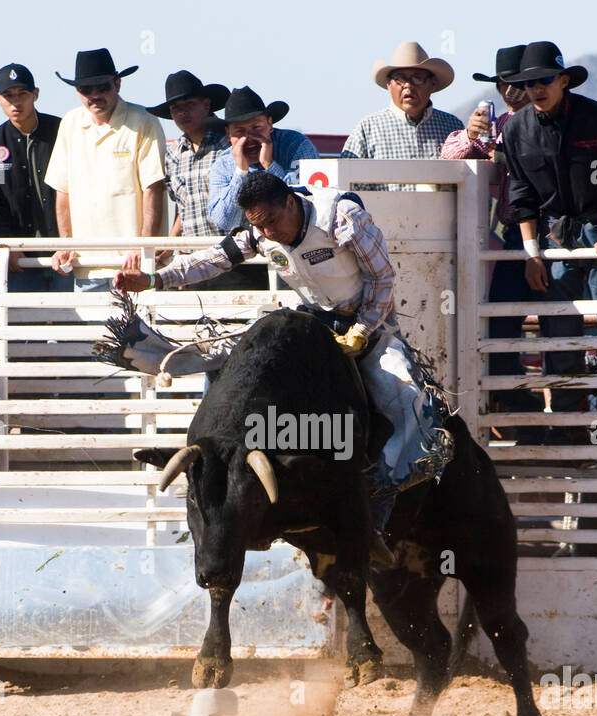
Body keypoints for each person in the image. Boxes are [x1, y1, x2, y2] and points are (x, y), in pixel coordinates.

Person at [105, 172, 454, 557]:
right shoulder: (259, 231)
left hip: (369, 327)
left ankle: (379, 500)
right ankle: (221, 444)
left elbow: (382, 278)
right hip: (310, 321)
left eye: (271, 221)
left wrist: (362, 329)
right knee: (234, 360)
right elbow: (214, 259)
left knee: (408, 400)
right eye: (258, 225)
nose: (267, 233)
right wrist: (155, 278)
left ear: (291, 202)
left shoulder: (342, 218)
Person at [502, 42, 597, 431]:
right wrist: (531, 253)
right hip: (552, 233)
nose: (536, 89)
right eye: (528, 84)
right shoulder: (516, 130)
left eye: (543, 80)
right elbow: (521, 197)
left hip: (596, 227)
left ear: (562, 80)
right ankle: (572, 432)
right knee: (559, 331)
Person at [441, 45, 542, 443]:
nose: (512, 91)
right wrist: (471, 135)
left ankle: (567, 410)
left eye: (520, 83)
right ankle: (515, 407)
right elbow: (449, 158)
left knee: (554, 321)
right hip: (518, 234)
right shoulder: (495, 128)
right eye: (506, 84)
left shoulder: (542, 123)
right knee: (501, 322)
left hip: (550, 232)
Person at [45, 48, 166, 292]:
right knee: (91, 331)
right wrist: (66, 244)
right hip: (86, 264)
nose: (94, 95)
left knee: (140, 330)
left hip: (133, 266)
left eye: (102, 87)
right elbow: (62, 192)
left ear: (117, 84)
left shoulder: (144, 121)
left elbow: (154, 188)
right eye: (85, 90)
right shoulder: (70, 123)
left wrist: (143, 247)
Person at [151, 70, 260, 290]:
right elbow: (183, 207)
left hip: (238, 256)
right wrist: (170, 243)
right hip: (196, 262)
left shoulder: (231, 144)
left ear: (207, 104)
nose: (182, 113)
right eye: (175, 108)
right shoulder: (173, 155)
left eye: (189, 104)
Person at [0, 63, 68, 293]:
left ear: (35, 94)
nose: (16, 102)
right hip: (20, 254)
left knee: (71, 322)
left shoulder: (61, 130)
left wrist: (70, 241)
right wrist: (6, 244)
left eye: (22, 94)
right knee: (23, 324)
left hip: (64, 249)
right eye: (8, 96)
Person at [341, 41, 464, 181]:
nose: (408, 86)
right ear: (389, 84)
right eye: (400, 79)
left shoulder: (452, 128)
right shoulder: (368, 129)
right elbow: (347, 181)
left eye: (417, 78)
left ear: (432, 84)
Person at [206, 87, 318, 233]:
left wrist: (269, 165)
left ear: (270, 124)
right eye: (240, 131)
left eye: (256, 127)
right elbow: (225, 222)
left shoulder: (296, 145)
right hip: (250, 247)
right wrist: (241, 173)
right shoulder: (222, 165)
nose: (250, 139)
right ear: (228, 133)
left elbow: (304, 204)